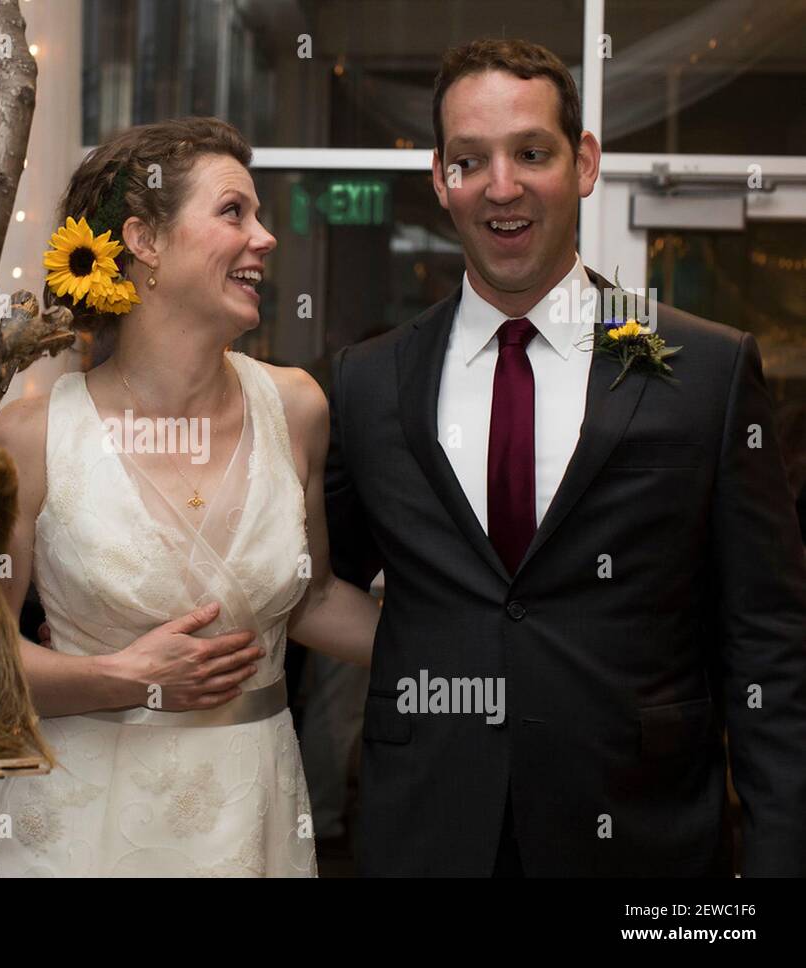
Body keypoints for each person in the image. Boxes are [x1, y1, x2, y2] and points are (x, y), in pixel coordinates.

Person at [326, 38, 806, 876]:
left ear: (583, 163)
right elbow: (315, 572)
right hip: (427, 829)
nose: (502, 186)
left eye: (532, 153)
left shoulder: (708, 369)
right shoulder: (369, 382)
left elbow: (768, 640)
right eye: (471, 160)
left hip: (644, 833)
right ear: (441, 179)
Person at [0, 117, 378, 877]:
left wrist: (471, 650)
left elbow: (314, 597)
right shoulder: (31, 437)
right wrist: (121, 678)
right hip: (76, 828)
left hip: (249, 812)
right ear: (144, 241)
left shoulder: (295, 408)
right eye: (234, 213)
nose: (264, 238)